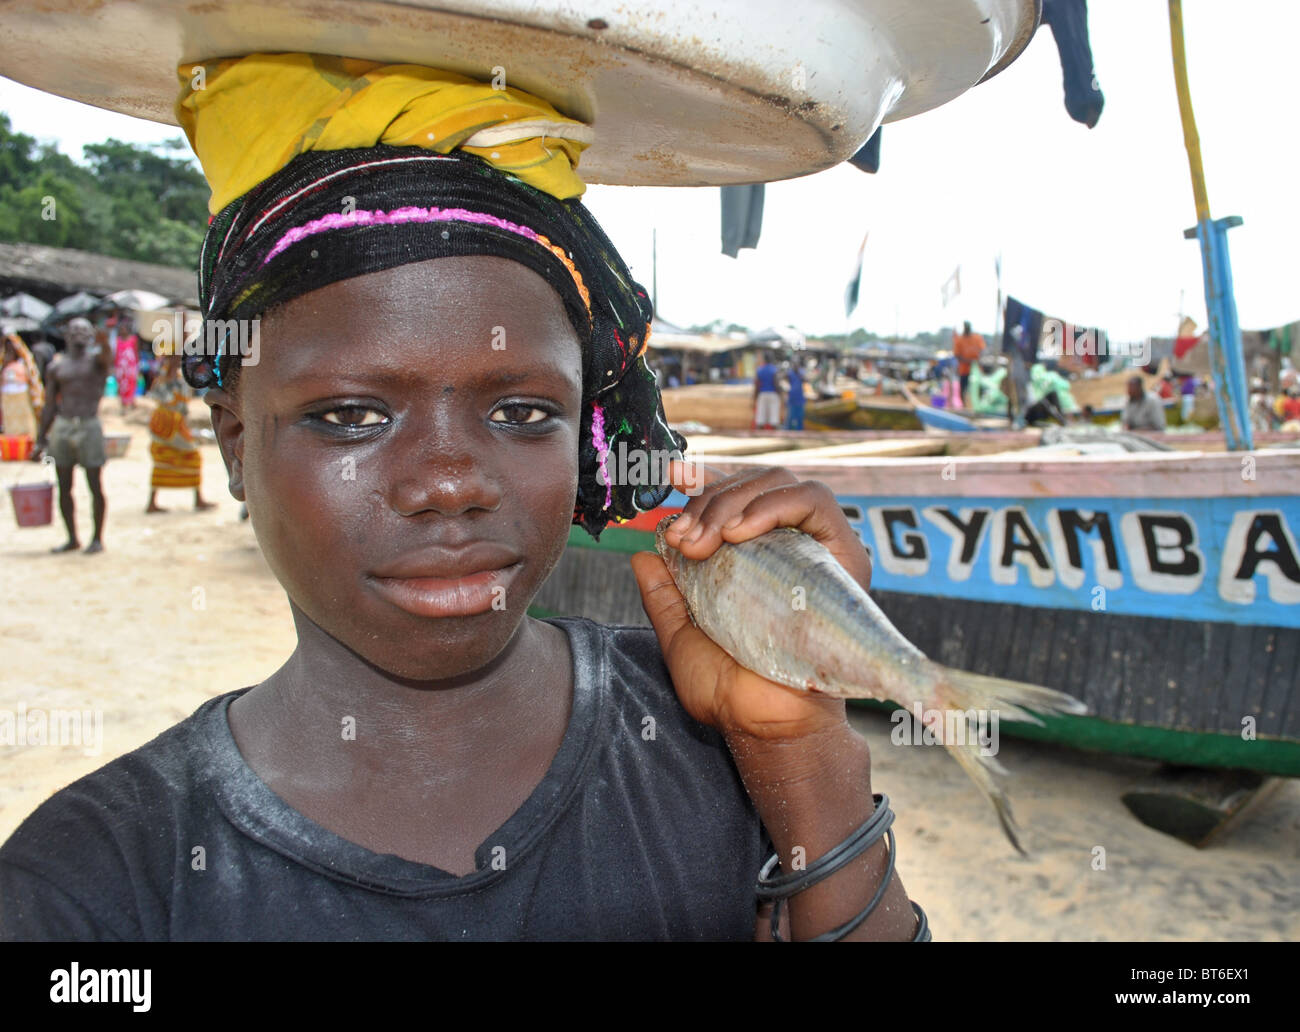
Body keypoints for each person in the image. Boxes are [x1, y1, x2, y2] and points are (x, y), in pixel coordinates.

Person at [0, 53, 926, 942]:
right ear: (236, 442)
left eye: (523, 411)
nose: (450, 481)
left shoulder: (714, 734)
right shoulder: (95, 887)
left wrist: (799, 745)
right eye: (353, 416)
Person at [34, 317, 110, 553]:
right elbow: (49, 405)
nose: (79, 333)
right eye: (74, 329)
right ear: (66, 335)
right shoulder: (56, 367)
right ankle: (72, 538)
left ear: (90, 336)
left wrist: (105, 342)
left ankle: (96, 538)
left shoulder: (97, 362)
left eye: (84, 330)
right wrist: (40, 438)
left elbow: (108, 358)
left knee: (94, 485)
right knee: (64, 485)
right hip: (63, 425)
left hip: (89, 424)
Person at [146, 354, 216, 513]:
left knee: (190, 457)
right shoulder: (163, 375)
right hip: (163, 423)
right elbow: (158, 393)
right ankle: (195, 499)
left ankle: (197, 498)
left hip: (175, 424)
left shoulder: (180, 378)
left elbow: (183, 404)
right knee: (165, 458)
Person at [1, 335, 42, 440]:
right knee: (10, 423)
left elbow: (33, 378)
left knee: (25, 421)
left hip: (22, 396)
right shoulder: (3, 361)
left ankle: (29, 443)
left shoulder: (25, 361)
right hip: (7, 397)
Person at [113, 313, 141, 413]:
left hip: (131, 367)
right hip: (121, 367)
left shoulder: (133, 339)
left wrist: (137, 365)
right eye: (121, 329)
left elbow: (136, 352)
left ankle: (132, 402)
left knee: (131, 383)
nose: (122, 330)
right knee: (122, 385)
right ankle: (124, 404)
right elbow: (116, 354)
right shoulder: (118, 340)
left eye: (124, 328)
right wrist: (115, 366)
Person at [952, 321, 985, 405]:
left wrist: (977, 360)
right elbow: (957, 355)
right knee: (963, 387)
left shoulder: (977, 337)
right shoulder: (959, 340)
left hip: (976, 368)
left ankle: (979, 404)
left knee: (979, 387)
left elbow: (982, 350)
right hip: (964, 369)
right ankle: (963, 404)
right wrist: (967, 361)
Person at [753, 350, 781, 429]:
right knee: (774, 416)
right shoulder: (774, 369)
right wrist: (780, 394)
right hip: (773, 394)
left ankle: (760, 433)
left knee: (761, 415)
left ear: (764, 359)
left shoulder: (760, 369)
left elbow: (757, 384)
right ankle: (775, 433)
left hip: (762, 394)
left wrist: (755, 396)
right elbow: (776, 383)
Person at [784, 360, 806, 430]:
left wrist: (799, 374)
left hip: (800, 398)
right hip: (792, 398)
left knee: (799, 417)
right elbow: (784, 378)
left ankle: (799, 431)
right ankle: (788, 430)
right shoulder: (790, 373)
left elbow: (805, 379)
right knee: (790, 417)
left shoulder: (801, 372)